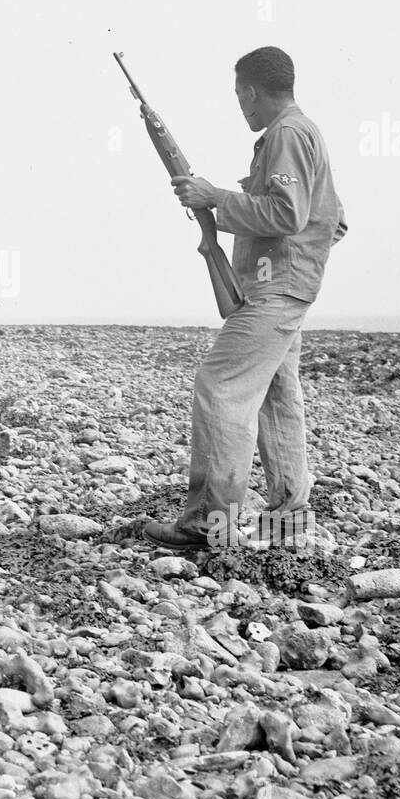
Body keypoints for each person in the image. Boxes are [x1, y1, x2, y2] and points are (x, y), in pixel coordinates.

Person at [143, 46, 346, 553]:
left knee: (220, 388)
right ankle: (288, 521)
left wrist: (215, 199)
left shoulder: (285, 135)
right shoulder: (303, 133)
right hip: (289, 286)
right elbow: (332, 220)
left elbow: (288, 213)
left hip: (274, 292)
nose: (241, 107)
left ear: (251, 91)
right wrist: (303, 261)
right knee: (277, 400)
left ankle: (211, 526)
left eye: (240, 96)